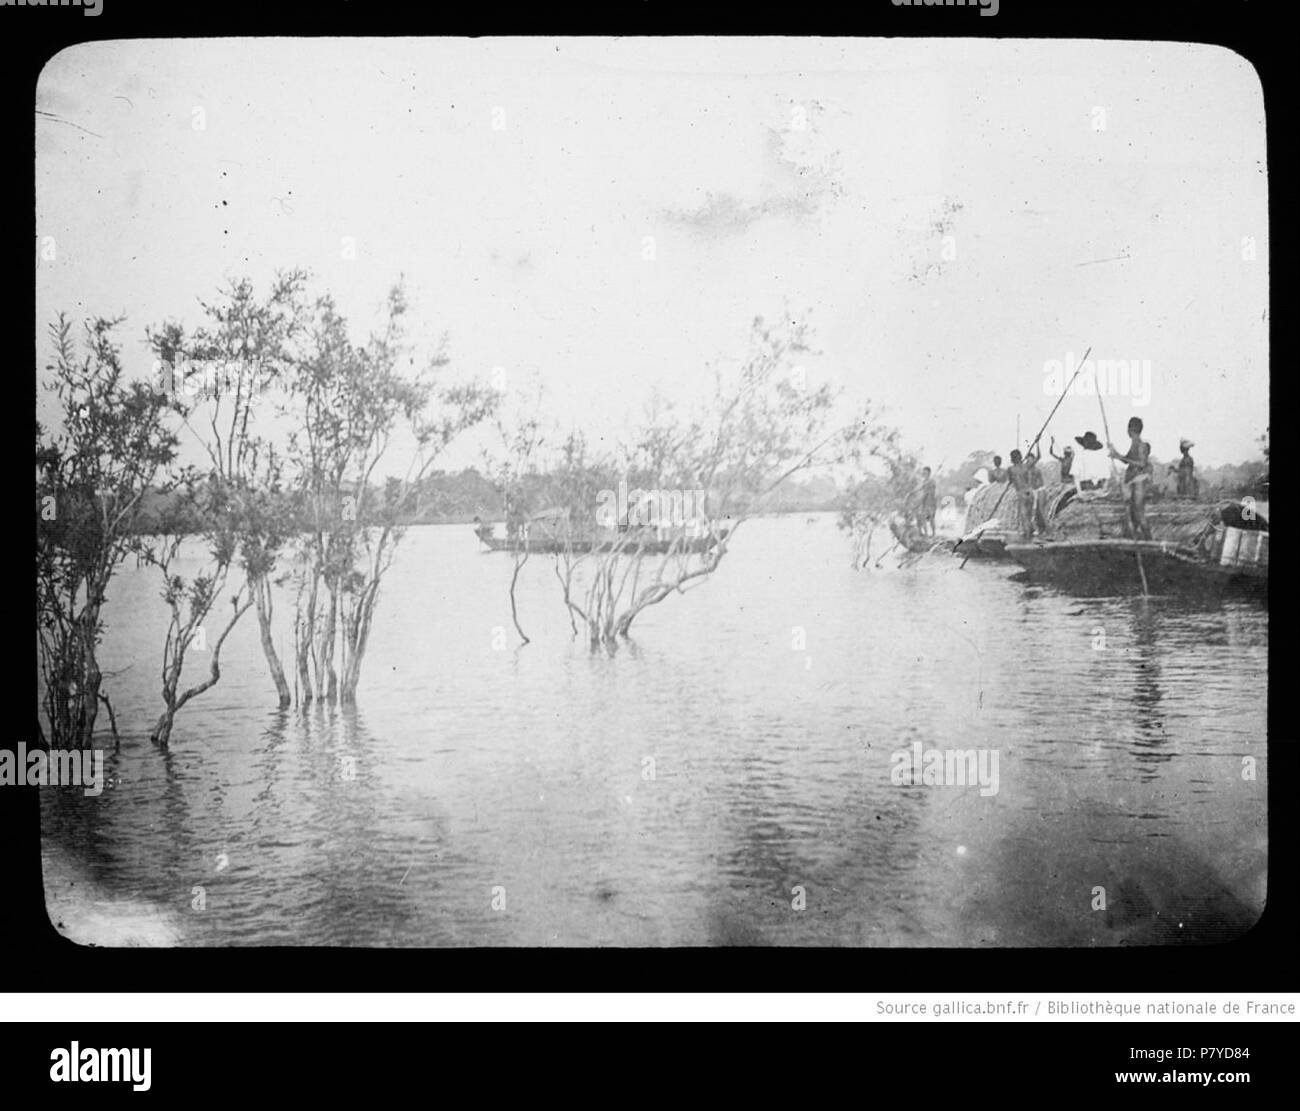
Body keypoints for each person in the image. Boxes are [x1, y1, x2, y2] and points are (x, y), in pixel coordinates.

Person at [1108, 417, 1153, 540]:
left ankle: (1149, 540)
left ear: (1131, 429)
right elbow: (1125, 460)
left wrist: (1117, 456)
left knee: (1139, 512)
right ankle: (1137, 540)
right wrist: (1114, 451)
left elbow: (1142, 464)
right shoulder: (1134, 444)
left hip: (1139, 481)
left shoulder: (1141, 445)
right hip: (1133, 482)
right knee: (1133, 514)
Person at [1006, 449, 1039, 540]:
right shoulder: (1026, 466)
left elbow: (1010, 481)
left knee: (1024, 516)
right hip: (1029, 492)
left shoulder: (1010, 469)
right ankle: (1030, 534)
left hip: (1021, 493)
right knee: (1028, 515)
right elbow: (1038, 457)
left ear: (1012, 459)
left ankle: (1028, 537)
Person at [918, 467, 937, 536]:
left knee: (931, 519)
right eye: (923, 472)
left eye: (925, 472)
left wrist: (925, 495)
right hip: (924, 502)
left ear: (929, 473)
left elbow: (932, 492)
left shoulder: (932, 481)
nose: (923, 474)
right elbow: (920, 489)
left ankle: (933, 534)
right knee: (922, 518)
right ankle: (925, 534)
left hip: (931, 502)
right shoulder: (924, 481)